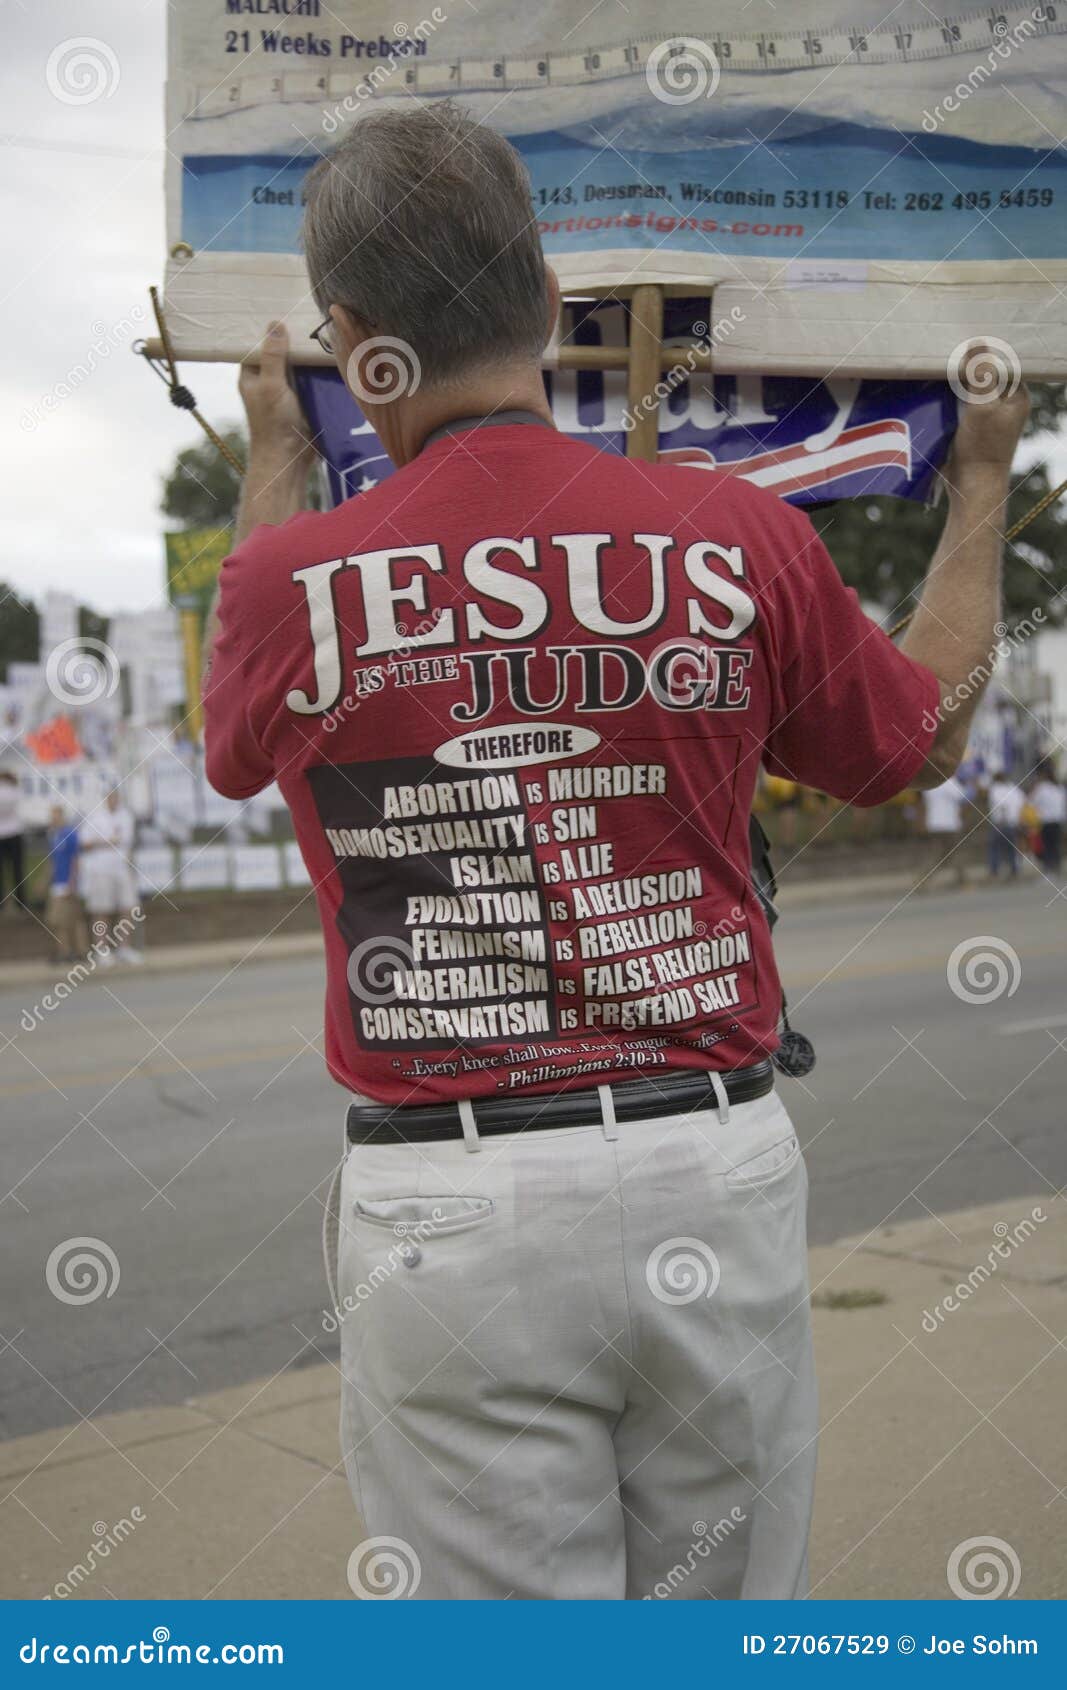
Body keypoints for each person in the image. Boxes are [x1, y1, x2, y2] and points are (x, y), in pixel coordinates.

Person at [202, 103, 1029, 1601]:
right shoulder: (735, 535)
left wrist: (274, 455)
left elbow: (238, 750)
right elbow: (916, 741)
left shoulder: (286, 580)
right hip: (705, 1162)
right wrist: (979, 483)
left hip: (447, 1209)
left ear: (353, 342)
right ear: (543, 295)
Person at [79, 788, 141, 964]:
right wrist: (106, 842)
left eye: (115, 797)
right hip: (100, 870)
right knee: (101, 911)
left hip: (121, 868)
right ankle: (102, 950)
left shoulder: (126, 817)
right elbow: (85, 843)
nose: (113, 800)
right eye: (110, 797)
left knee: (128, 908)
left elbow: (126, 841)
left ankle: (124, 948)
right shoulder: (95, 817)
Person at [43, 803, 90, 961]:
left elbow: (75, 859)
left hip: (68, 883)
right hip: (57, 883)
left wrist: (73, 882)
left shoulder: (70, 834)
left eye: (56, 815)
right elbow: (53, 862)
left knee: (70, 919)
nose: (53, 819)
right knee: (62, 920)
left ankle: (76, 951)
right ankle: (69, 951)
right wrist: (44, 881)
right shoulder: (54, 835)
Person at [919, 774, 968, 890]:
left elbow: (925, 801)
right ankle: (962, 881)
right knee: (955, 853)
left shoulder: (930, 782)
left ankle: (922, 881)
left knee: (936, 854)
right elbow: (962, 796)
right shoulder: (950, 782)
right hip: (949, 824)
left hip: (934, 824)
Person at [987, 769, 1024, 879]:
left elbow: (1002, 805)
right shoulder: (1013, 788)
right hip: (1013, 822)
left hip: (1001, 822)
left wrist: (1002, 819)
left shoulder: (995, 789)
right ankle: (1014, 870)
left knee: (995, 847)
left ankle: (994, 871)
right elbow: (1022, 802)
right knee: (1011, 847)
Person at [0, 768, 28, 914]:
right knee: (17, 869)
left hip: (7, 833)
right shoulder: (14, 790)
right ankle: (21, 901)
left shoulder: (10, 790)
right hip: (14, 832)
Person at [1030, 761, 1066, 873]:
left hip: (1046, 822)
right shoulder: (1060, 789)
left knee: (1047, 846)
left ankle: (1049, 868)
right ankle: (1057, 867)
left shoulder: (1042, 788)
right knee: (1056, 845)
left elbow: (1032, 802)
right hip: (1058, 821)